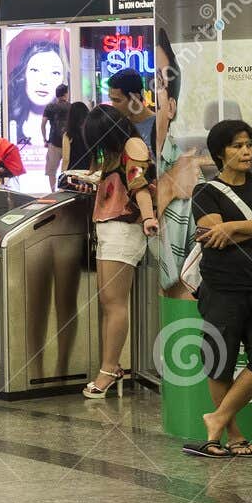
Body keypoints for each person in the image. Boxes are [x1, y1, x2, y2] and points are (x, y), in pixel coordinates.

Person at [184, 120, 252, 459]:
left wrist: (232, 227)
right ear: (219, 153)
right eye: (237, 146)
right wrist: (249, 230)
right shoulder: (205, 191)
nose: (246, 152)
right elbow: (212, 233)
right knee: (220, 361)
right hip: (221, 287)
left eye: (248, 145)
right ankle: (231, 434)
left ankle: (216, 417)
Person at [80, 104, 158, 399]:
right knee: (108, 303)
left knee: (114, 304)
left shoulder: (132, 145)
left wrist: (149, 217)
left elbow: (139, 185)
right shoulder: (117, 150)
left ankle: (109, 370)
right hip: (109, 229)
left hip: (124, 229)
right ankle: (109, 367)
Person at [153, 27, 204, 298]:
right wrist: (168, 187)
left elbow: (198, 277)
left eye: (157, 83)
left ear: (171, 107)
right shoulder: (110, 164)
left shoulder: (194, 179)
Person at [8, 38, 68, 147]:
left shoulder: (68, 123)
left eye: (55, 73)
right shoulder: (11, 124)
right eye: (35, 70)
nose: (43, 81)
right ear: (23, 75)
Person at [106, 68, 156, 153]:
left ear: (135, 98)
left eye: (117, 100)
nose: (113, 105)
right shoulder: (118, 126)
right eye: (111, 99)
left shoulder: (158, 125)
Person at [41, 84, 71, 183]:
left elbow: (43, 124)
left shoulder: (50, 107)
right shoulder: (70, 107)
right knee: (67, 169)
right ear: (66, 94)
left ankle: (53, 191)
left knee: (51, 170)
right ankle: (64, 190)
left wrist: (45, 139)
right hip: (67, 142)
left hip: (53, 141)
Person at [61, 101, 95, 173]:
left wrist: (63, 173)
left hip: (73, 173)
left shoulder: (68, 135)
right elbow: (94, 155)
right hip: (87, 172)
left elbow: (66, 159)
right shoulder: (91, 132)